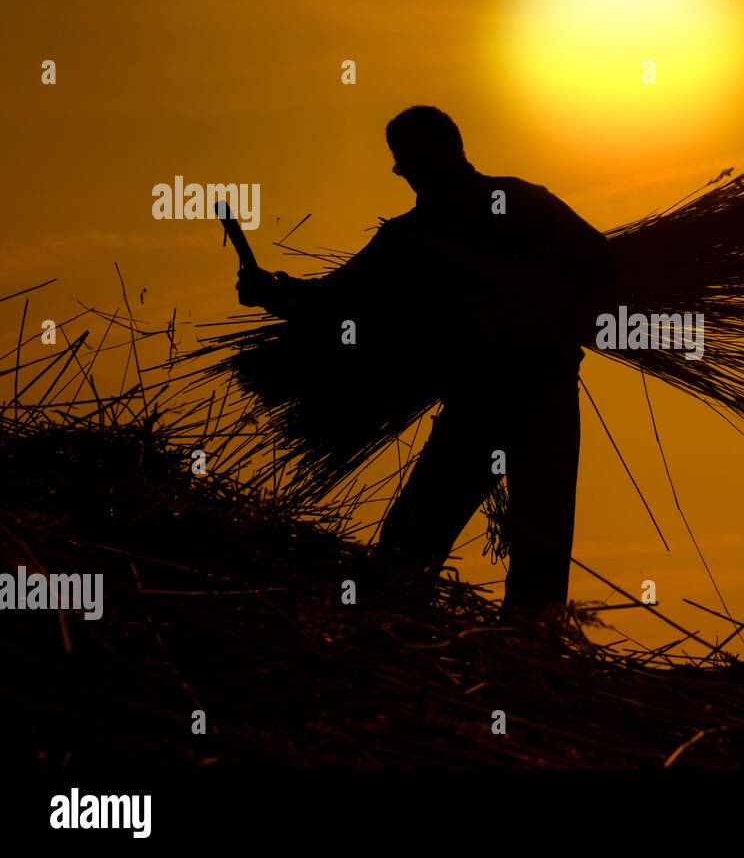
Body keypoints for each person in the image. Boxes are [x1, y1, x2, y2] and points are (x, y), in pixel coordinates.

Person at [237, 105, 618, 616]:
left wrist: (518, 297)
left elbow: (603, 265)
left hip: (539, 396)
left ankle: (531, 661)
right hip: (478, 404)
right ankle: (395, 644)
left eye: (414, 159)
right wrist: (276, 293)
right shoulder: (405, 238)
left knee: (537, 550)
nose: (409, 173)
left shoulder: (518, 204)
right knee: (408, 546)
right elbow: (337, 302)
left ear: (450, 151)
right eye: (401, 164)